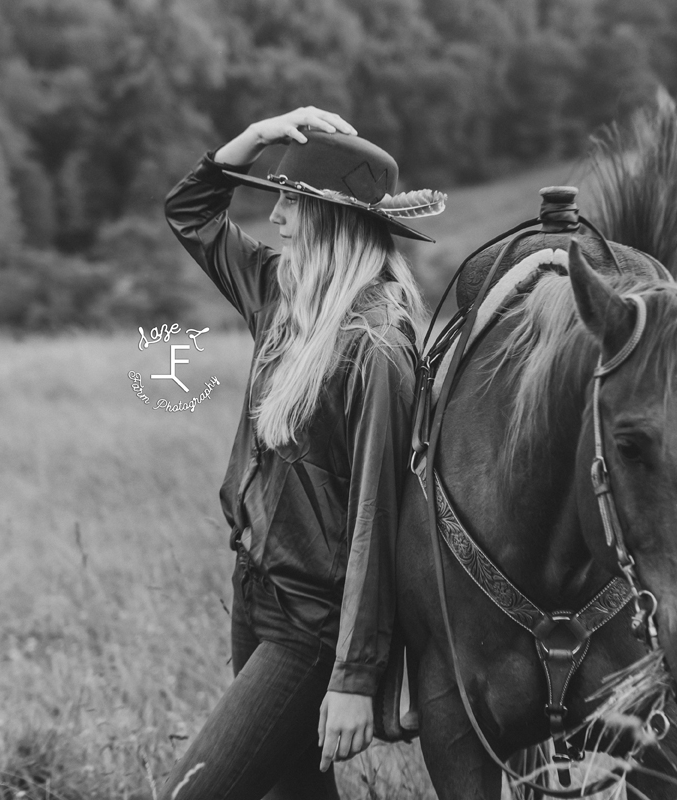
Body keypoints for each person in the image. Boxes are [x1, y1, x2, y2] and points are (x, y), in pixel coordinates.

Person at [161, 106, 444, 800]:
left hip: (311, 626)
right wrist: (260, 134)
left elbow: (379, 520)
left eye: (292, 202)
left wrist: (354, 678)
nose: (278, 217)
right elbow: (190, 209)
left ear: (333, 220)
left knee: (191, 791)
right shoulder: (280, 294)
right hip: (253, 590)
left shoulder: (376, 348)